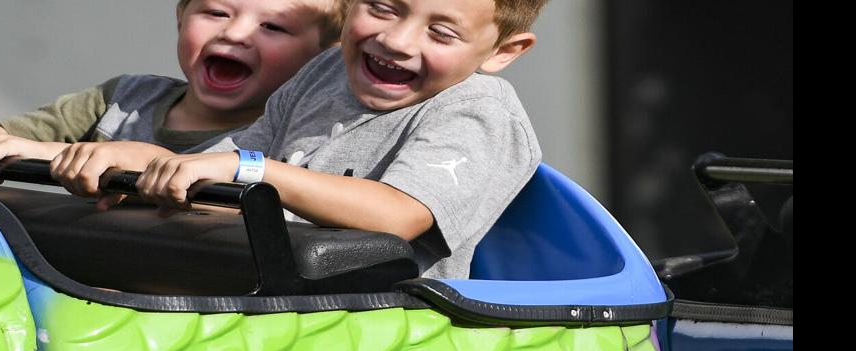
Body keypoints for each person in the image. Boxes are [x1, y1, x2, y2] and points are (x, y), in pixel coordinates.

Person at [121, 0, 547, 279]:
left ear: (502, 52)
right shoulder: (326, 72)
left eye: (441, 33)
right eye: (382, 7)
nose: (395, 40)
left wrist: (255, 170)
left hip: (377, 336)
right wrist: (133, 173)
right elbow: (220, 177)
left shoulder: (478, 109)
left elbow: (399, 215)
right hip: (256, 303)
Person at [0, 0, 342, 196]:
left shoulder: (293, 135)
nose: (235, 33)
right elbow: (11, 136)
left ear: (325, 57)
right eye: (215, 11)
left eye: (274, 27)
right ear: (181, 18)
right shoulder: (125, 98)